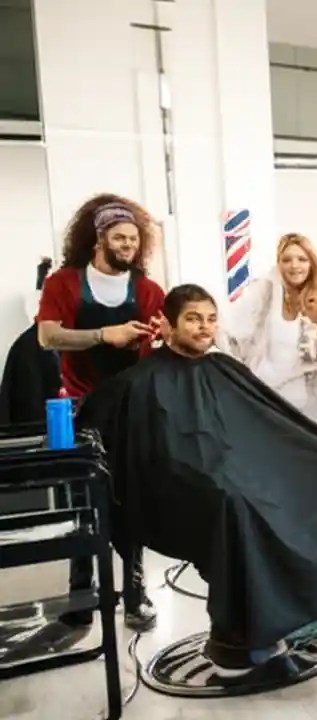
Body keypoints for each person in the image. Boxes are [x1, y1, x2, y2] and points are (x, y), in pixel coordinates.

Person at [77, 284, 317, 671]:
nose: (204, 328)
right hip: (184, 488)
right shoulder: (141, 380)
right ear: (168, 325)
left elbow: (278, 423)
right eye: (192, 319)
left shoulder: (225, 368)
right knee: (235, 504)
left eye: (210, 319)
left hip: (239, 471)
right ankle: (240, 638)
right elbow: (101, 422)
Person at [37, 193, 165, 632]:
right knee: (82, 503)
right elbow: (48, 337)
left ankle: (134, 592)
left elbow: (159, 346)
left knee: (130, 500)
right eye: (120, 237)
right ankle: (81, 593)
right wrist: (103, 334)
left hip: (130, 410)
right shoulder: (64, 284)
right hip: (77, 406)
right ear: (99, 239)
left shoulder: (148, 291)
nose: (128, 245)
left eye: (133, 238)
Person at [220, 233, 317, 433]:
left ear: (312, 262)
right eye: (287, 259)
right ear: (278, 263)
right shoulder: (266, 291)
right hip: (273, 396)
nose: (294, 265)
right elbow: (230, 326)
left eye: (302, 259)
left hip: (315, 400)